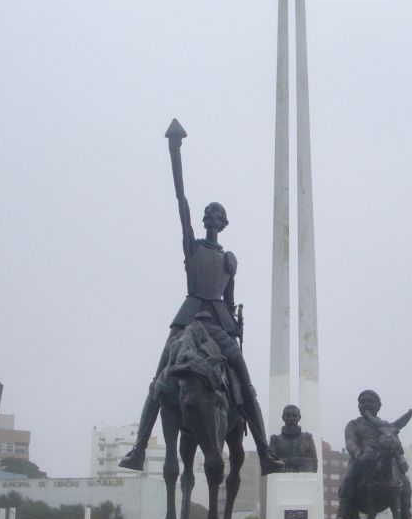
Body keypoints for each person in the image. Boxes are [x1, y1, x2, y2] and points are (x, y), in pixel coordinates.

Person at [119, 195, 282, 475]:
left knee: (246, 386)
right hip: (187, 320)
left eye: (216, 216)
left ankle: (265, 452)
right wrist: (178, 181)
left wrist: (235, 324)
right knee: (158, 383)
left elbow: (228, 300)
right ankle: (139, 449)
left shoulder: (229, 259)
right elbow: (184, 218)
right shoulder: (193, 247)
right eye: (207, 215)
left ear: (223, 223)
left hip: (219, 324)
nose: (211, 219)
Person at [335, 390, 412, 519]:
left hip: (384, 458)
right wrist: (356, 452)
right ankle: (342, 516)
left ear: (379, 406)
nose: (366, 404)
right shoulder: (353, 424)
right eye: (363, 402)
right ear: (358, 406)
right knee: (348, 479)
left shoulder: (385, 426)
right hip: (362, 460)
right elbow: (350, 442)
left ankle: (406, 518)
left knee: (405, 483)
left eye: (370, 401)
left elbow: (396, 444)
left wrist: (400, 457)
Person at [269, 405, 318, 473]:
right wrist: (289, 461)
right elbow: (270, 465)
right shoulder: (275, 440)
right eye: (288, 415)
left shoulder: (307, 438)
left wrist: (298, 461)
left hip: (303, 478)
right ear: (283, 418)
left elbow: (314, 464)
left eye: (294, 416)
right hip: (281, 478)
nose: (291, 418)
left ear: (299, 418)